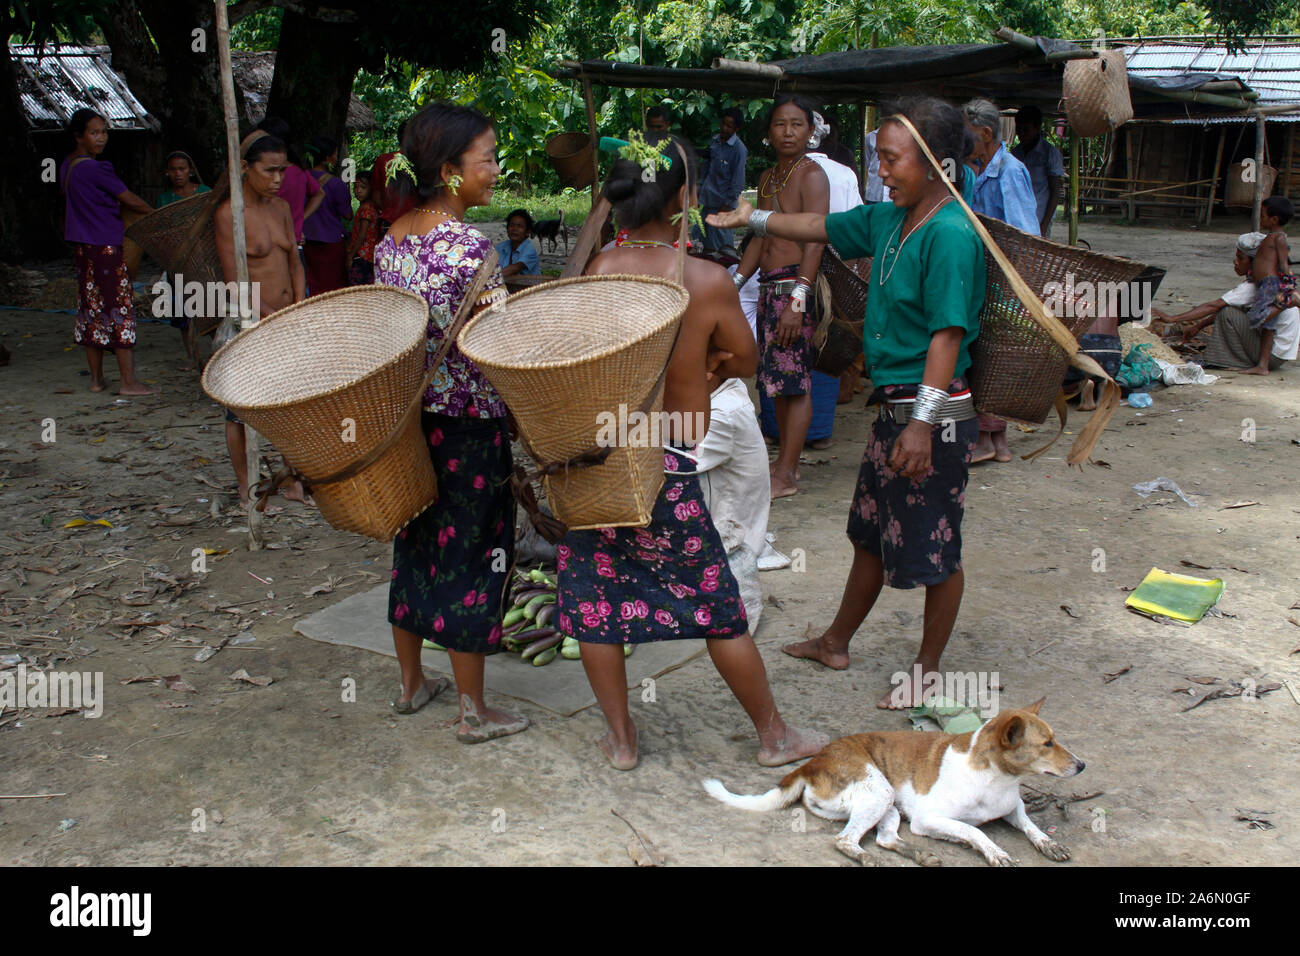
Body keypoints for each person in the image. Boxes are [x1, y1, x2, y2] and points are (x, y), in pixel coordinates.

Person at [559, 130, 827, 771]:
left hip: (607, 459)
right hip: (671, 462)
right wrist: (702, 375)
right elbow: (745, 359)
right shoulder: (706, 279)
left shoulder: (601, 270)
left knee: (600, 607)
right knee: (719, 610)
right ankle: (774, 737)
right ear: (684, 196)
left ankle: (621, 741)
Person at [709, 95, 985, 709]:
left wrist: (920, 424)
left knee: (936, 549)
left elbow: (947, 337)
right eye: (878, 159)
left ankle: (928, 669)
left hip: (931, 416)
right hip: (897, 412)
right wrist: (752, 221)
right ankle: (836, 641)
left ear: (938, 165)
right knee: (868, 535)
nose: (881, 171)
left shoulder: (950, 235)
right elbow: (816, 227)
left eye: (892, 160)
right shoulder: (892, 220)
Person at [372, 103, 528, 742]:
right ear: (449, 170)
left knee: (414, 543)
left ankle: (412, 684)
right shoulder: (470, 249)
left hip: (413, 424)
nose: (495, 169)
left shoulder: (392, 239)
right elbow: (501, 348)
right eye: (486, 158)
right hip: (470, 427)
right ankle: (474, 709)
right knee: (473, 555)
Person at [732, 94, 830, 499]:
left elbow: (815, 241)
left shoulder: (812, 175)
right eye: (779, 124)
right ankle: (784, 464)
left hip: (794, 287)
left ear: (810, 131)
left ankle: (788, 472)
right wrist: (734, 283)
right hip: (770, 287)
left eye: (796, 124)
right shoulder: (770, 177)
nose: (788, 131)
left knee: (796, 383)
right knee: (779, 382)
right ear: (768, 132)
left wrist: (798, 300)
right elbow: (761, 236)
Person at [212, 131, 310, 506]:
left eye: (282, 171)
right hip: (249, 322)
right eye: (269, 171)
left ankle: (291, 480)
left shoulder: (281, 208)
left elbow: (294, 261)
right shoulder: (229, 215)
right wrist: (274, 317)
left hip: (287, 319)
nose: (277, 179)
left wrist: (299, 304)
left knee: (290, 407)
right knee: (239, 412)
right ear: (244, 168)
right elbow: (235, 284)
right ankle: (245, 482)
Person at [59, 108, 157, 396]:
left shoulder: (67, 167)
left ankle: (97, 380)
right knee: (119, 308)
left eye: (103, 132)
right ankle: (128, 381)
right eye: (94, 132)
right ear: (79, 136)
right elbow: (130, 200)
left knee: (90, 310)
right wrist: (158, 216)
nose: (101, 138)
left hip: (83, 250)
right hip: (107, 248)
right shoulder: (97, 168)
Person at [963, 97, 1037, 465]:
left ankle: (987, 440)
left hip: (1003, 282)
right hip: (985, 278)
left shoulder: (1009, 172)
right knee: (988, 356)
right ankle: (996, 442)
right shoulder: (978, 169)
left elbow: (1024, 236)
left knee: (990, 358)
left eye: (969, 136)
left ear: (987, 133)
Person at [1151, 232, 1299, 373]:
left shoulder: (1255, 287)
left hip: (1273, 357)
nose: (1236, 262)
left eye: (1241, 258)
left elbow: (1214, 306)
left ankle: (1229, 361)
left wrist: (1172, 318)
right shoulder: (1271, 279)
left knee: (1227, 313)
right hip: (1279, 355)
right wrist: (1199, 326)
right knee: (1232, 311)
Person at [254, 118, 323, 265]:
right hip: (293, 244)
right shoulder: (299, 171)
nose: (277, 178)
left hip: (273, 247)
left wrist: (299, 219)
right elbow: (319, 193)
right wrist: (299, 219)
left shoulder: (264, 178)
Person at [1243, 195, 1297, 374]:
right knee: (1268, 327)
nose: (1261, 218)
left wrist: (1290, 286)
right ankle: (1263, 366)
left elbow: (1284, 265)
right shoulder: (1270, 237)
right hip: (1263, 285)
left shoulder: (1279, 238)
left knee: (1255, 318)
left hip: (1270, 285)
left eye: (1264, 215)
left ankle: (1289, 301)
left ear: (1274, 219)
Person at [302, 135, 353, 295]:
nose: (337, 157)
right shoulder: (336, 184)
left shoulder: (301, 178)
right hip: (331, 242)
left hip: (306, 240)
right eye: (335, 154)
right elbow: (348, 215)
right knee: (334, 289)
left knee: (313, 285)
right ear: (328, 158)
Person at [697, 107, 748, 257]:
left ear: (736, 128)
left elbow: (738, 181)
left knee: (722, 250)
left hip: (723, 207)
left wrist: (726, 206)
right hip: (707, 202)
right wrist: (699, 190)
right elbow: (706, 169)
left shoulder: (739, 150)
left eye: (729, 126)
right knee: (702, 245)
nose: (724, 128)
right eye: (723, 123)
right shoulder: (715, 142)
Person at [1010, 105, 1064, 239]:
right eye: (1019, 130)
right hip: (1018, 217)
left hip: (1039, 217)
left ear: (1037, 128)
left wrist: (1044, 225)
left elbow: (1055, 193)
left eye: (1026, 130)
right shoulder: (1015, 154)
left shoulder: (1050, 154)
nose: (1021, 134)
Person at [369, 120, 414, 235]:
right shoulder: (425, 163)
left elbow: (376, 196)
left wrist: (389, 210)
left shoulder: (383, 160)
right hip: (418, 225)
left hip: (389, 223)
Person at [346, 171, 381, 286]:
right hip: (370, 256)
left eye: (363, 187)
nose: (358, 191)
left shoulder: (366, 208)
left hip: (362, 256)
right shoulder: (371, 207)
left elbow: (362, 235)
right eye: (355, 187)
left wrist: (351, 255)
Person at [496, 208, 540, 276]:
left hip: (529, 286)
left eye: (520, 226)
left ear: (527, 232)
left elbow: (515, 268)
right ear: (507, 229)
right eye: (512, 225)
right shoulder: (501, 247)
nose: (514, 229)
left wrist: (490, 277)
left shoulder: (529, 250)